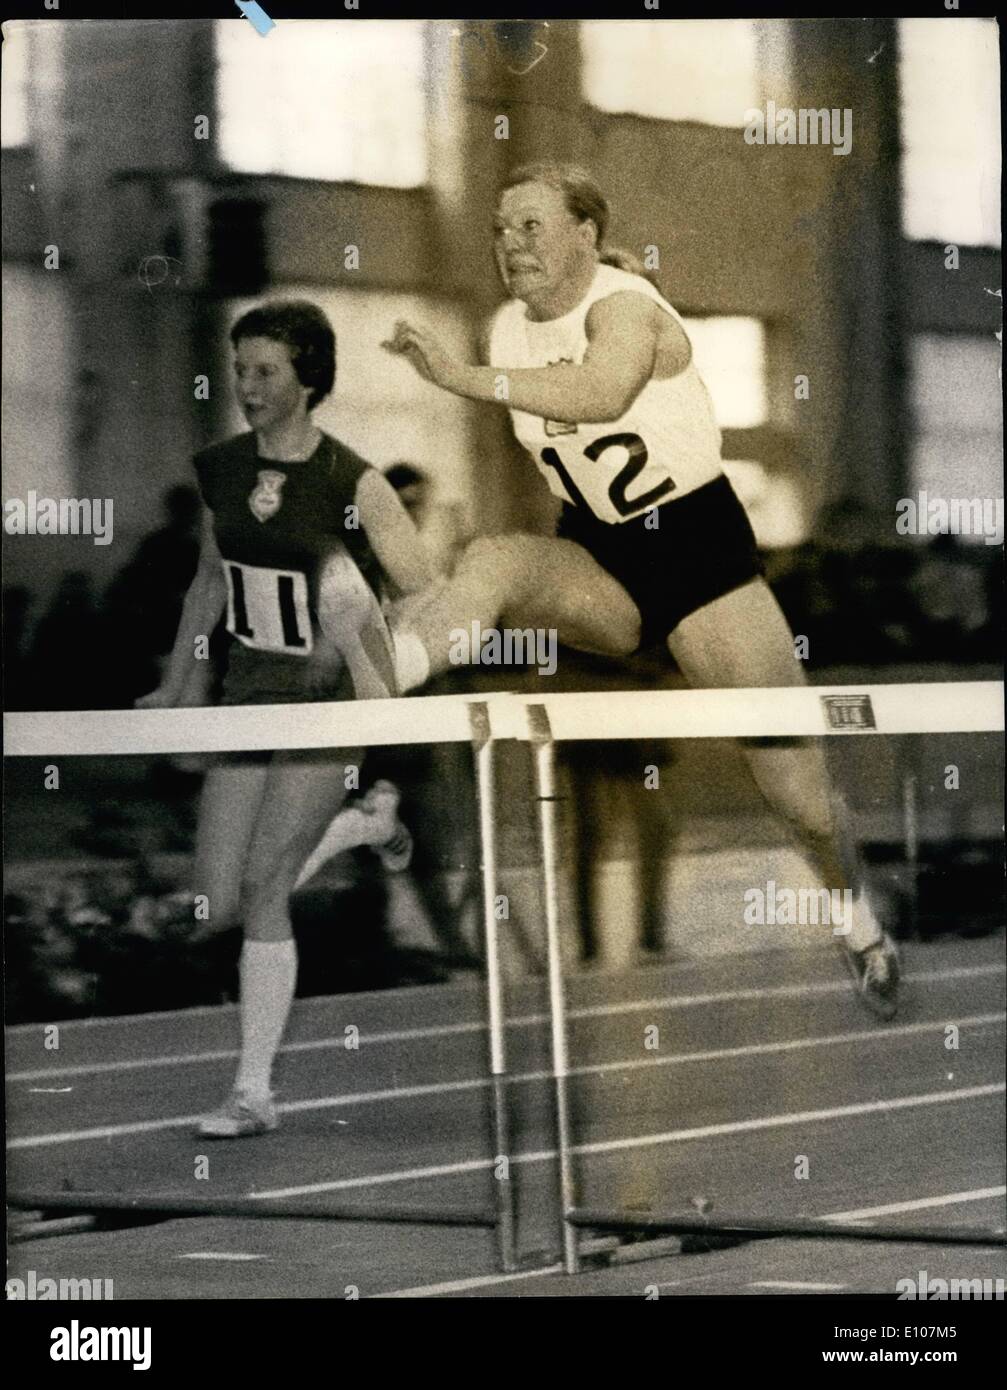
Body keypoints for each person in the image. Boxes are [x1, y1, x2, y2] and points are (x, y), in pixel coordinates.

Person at [380, 161, 900, 1019]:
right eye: (501, 230)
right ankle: (383, 673)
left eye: (531, 227)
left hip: (699, 557)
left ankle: (856, 922)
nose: (510, 246)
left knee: (797, 798)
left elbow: (598, 391)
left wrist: (459, 376)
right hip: (599, 553)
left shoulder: (626, 307)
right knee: (498, 562)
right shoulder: (511, 326)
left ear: (586, 234)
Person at [137, 300, 434, 1137]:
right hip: (247, 701)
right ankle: (357, 828)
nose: (247, 386)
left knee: (269, 886)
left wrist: (375, 653)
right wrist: (175, 687)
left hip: (328, 706)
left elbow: (424, 589)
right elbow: (206, 585)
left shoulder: (356, 484)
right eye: (240, 370)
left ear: (308, 378)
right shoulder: (222, 470)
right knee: (217, 904)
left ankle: (252, 1092)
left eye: (266, 371)